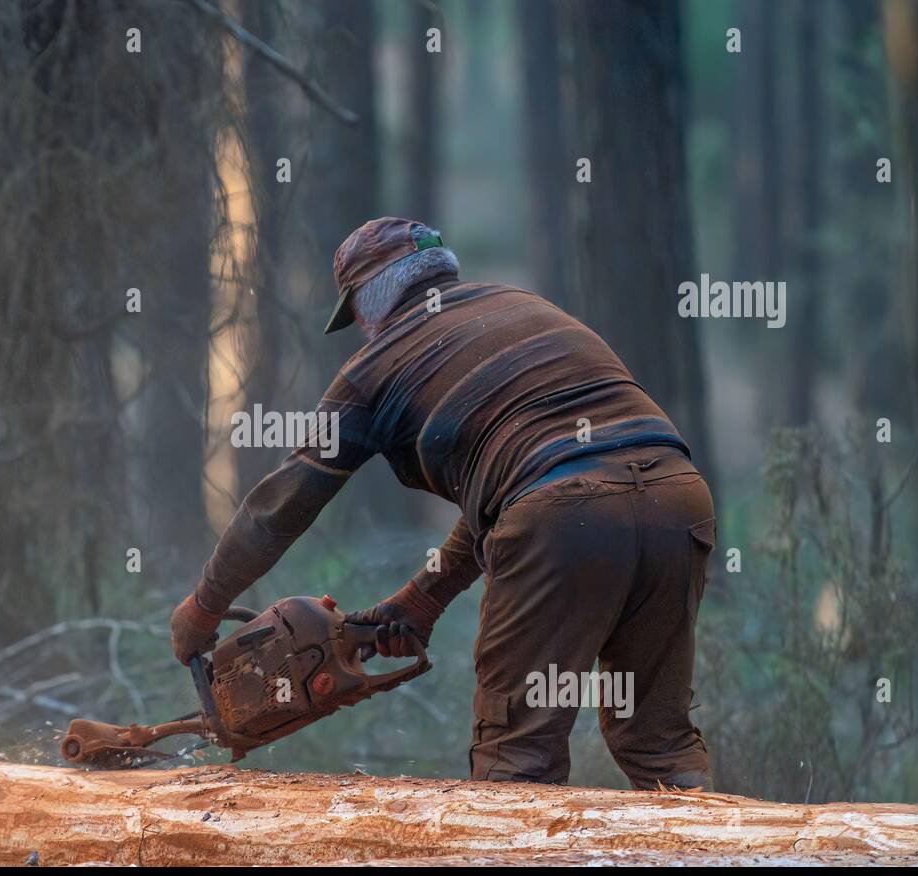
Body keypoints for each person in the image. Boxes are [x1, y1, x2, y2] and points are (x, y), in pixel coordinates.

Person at [170, 217, 715, 789]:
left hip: (566, 516)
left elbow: (279, 505)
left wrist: (205, 606)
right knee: (659, 741)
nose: (360, 328)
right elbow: (519, 486)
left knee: (516, 756)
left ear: (370, 299)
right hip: (678, 500)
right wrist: (424, 598)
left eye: (354, 313)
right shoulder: (522, 305)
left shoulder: (374, 368)